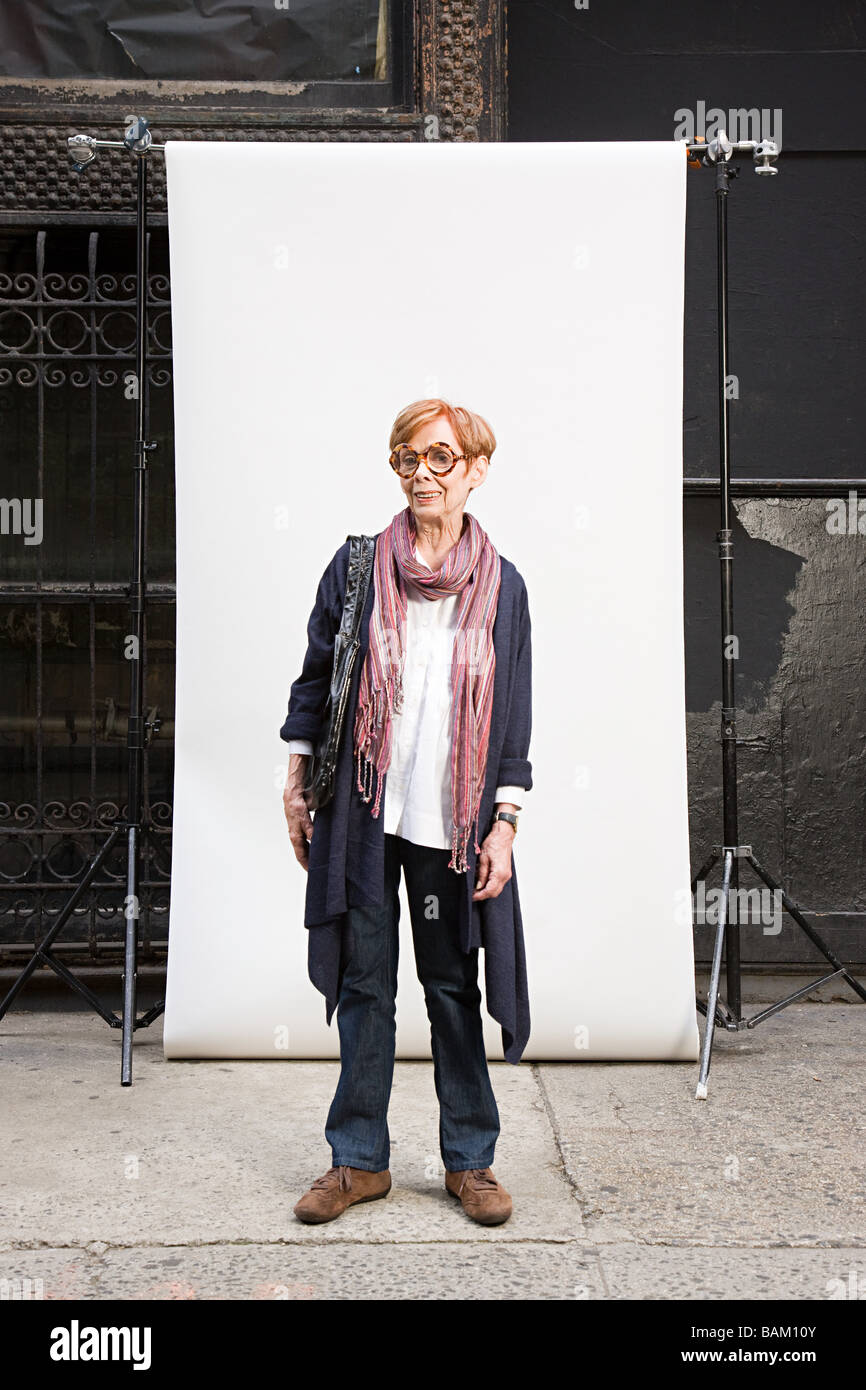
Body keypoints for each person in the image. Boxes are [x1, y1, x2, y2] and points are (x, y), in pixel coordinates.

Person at [280, 397, 533, 1226]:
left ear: (476, 470)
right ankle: (358, 1161)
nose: (419, 473)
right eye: (406, 459)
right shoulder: (357, 570)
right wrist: (296, 779)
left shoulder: (503, 587)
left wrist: (505, 820)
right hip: (363, 805)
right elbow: (316, 681)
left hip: (450, 820)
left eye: (438, 458)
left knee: (453, 983)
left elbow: (514, 712)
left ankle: (471, 1162)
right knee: (364, 981)